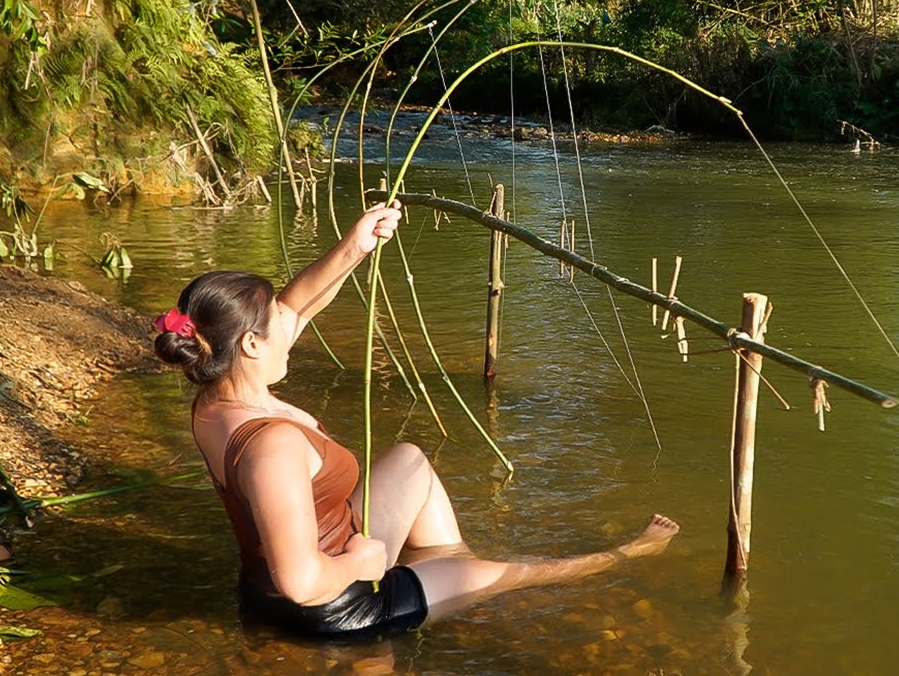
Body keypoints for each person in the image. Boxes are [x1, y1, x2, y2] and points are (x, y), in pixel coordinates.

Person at [153, 201, 679, 637]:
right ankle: (629, 553)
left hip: (286, 572)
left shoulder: (214, 400)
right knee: (522, 573)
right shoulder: (273, 447)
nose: (290, 326)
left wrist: (356, 246)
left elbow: (298, 305)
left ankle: (448, 565)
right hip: (336, 606)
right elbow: (301, 583)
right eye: (277, 325)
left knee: (409, 460)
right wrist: (361, 563)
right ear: (248, 344)